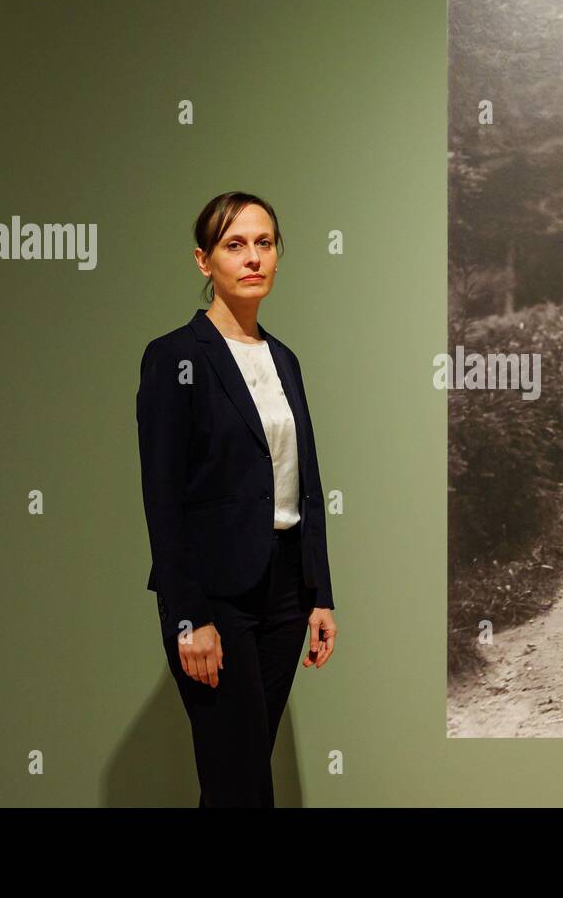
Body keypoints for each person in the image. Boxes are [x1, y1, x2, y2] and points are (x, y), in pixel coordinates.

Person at [136, 191, 338, 806]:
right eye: (235, 245)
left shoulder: (285, 360)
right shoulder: (174, 358)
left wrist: (320, 594)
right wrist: (187, 614)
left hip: (285, 592)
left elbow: (306, 480)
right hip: (215, 596)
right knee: (240, 784)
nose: (253, 258)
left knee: (240, 779)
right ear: (204, 262)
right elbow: (161, 496)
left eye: (265, 243)